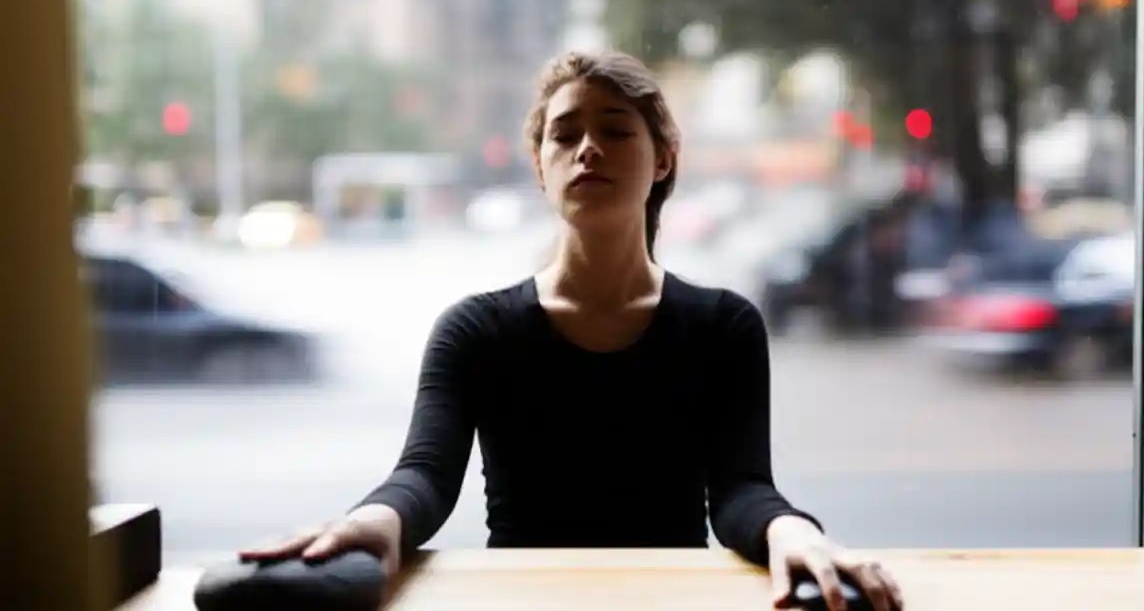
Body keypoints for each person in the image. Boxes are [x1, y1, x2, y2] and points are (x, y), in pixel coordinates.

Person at [240, 51, 905, 611]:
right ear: (538, 164)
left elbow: (741, 491)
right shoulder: (475, 330)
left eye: (616, 130)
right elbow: (424, 479)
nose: (588, 148)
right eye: (565, 134)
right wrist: (367, 525)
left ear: (664, 159)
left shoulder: (723, 326)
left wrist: (792, 532)